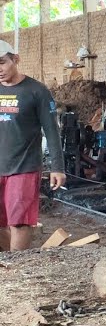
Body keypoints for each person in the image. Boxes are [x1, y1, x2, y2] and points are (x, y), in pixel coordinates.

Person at [0, 40, 65, 251]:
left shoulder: (36, 91)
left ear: (15, 59)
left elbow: (52, 130)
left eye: (2, 63)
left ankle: (20, 272)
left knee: (19, 222)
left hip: (24, 167)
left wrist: (57, 167)